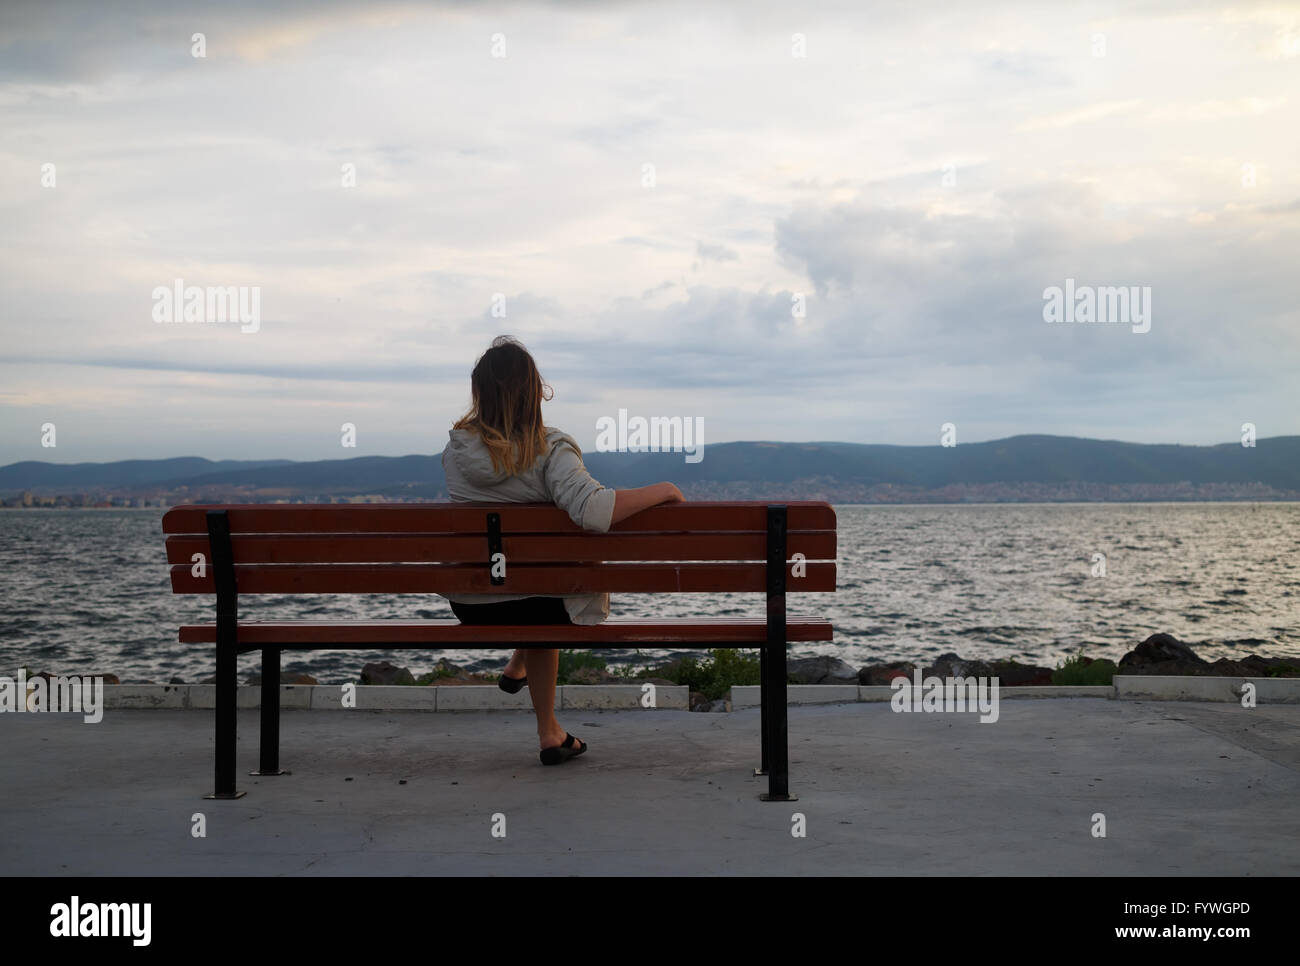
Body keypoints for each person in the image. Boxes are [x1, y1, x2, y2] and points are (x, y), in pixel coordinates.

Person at [440, 336, 684, 765]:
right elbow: (593, 511)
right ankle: (548, 731)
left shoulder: (456, 452)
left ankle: (520, 667)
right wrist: (663, 490)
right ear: (535, 392)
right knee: (548, 593)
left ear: (480, 395)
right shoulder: (549, 448)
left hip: (473, 601)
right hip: (538, 602)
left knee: (535, 590)